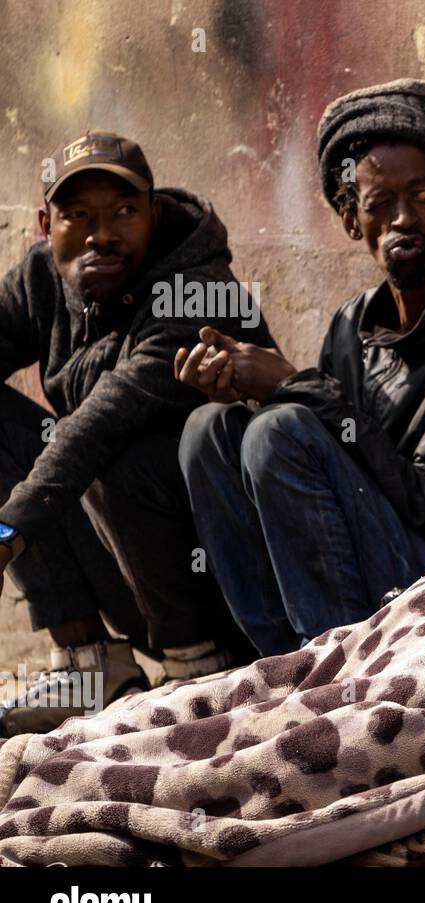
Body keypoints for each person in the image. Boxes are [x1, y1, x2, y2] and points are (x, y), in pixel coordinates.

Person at [176, 80, 425, 657]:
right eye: (380, 204)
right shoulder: (352, 327)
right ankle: (286, 661)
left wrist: (290, 388)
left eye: (424, 196)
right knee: (209, 430)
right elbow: (331, 464)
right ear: (351, 221)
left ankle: (336, 670)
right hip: (382, 570)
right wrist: (247, 385)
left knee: (278, 432)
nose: (403, 218)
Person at [0, 131, 276, 734]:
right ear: (47, 224)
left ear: (153, 214)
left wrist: (5, 532)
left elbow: (103, 421)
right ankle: (90, 664)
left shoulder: (193, 286)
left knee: (110, 446)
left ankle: (194, 668)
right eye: (79, 216)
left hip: (225, 582)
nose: (102, 234)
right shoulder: (43, 278)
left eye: (124, 213)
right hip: (126, 556)